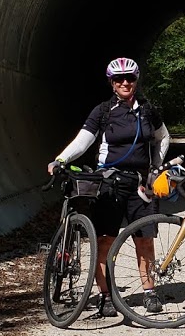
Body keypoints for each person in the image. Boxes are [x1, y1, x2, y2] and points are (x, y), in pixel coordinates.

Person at [48, 57, 170, 316]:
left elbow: (163, 137)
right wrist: (61, 159)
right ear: (112, 83)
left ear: (136, 80)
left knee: (145, 240)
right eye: (119, 79)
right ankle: (105, 296)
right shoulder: (103, 111)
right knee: (104, 241)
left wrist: (156, 167)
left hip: (141, 184)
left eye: (130, 78)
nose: (125, 82)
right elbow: (84, 140)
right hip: (110, 183)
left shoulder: (147, 110)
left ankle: (150, 292)